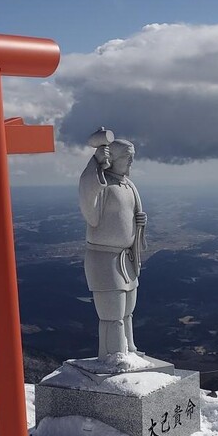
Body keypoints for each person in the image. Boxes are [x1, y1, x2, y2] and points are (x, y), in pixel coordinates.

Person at [79, 128, 147, 360]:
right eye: (128, 159)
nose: (131, 164)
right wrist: (96, 163)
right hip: (104, 259)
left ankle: (129, 349)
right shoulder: (102, 184)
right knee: (112, 313)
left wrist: (139, 222)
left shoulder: (128, 185)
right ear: (114, 160)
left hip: (125, 258)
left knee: (128, 310)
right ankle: (113, 355)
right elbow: (88, 197)